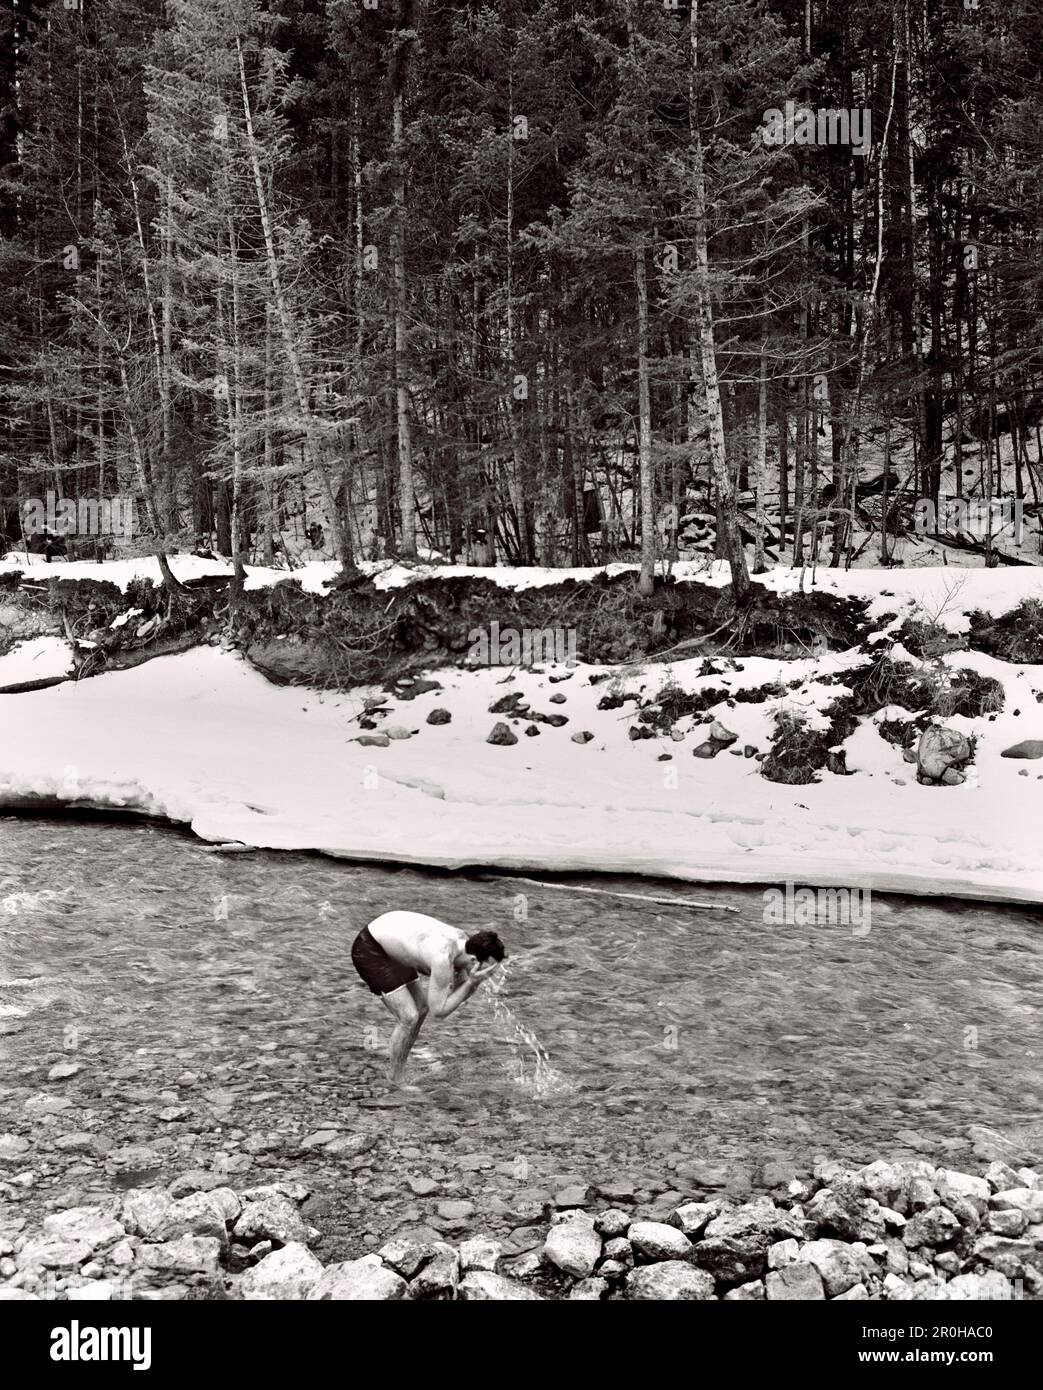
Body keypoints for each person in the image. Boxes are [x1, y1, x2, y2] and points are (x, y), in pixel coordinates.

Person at [351, 910, 507, 1084]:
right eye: (488, 969)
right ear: (473, 960)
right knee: (409, 1017)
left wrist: (469, 982)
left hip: (392, 940)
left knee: (421, 1008)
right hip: (370, 948)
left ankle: (399, 1066)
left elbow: (456, 988)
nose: (489, 974)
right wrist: (472, 983)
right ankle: (395, 1080)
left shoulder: (464, 942)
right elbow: (439, 1011)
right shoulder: (443, 959)